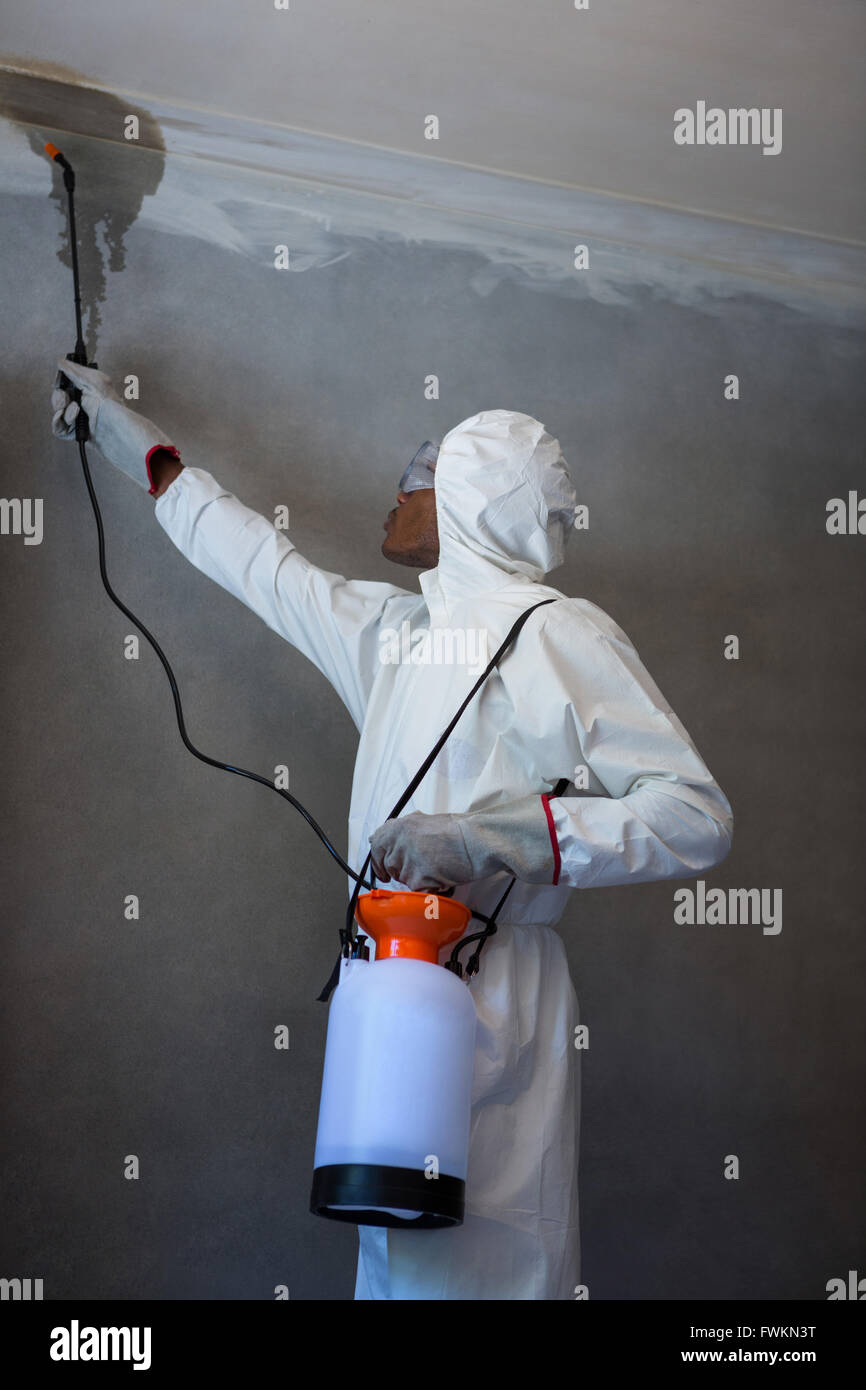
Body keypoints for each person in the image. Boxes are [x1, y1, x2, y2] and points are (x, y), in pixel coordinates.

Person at [51, 358, 733, 1299]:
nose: (394, 496)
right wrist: (141, 448)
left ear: (464, 502)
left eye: (415, 480)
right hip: (391, 991)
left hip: (495, 997)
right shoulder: (397, 637)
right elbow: (264, 567)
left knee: (488, 1259)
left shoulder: (558, 635)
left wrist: (496, 837)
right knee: (397, 1262)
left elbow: (693, 816)